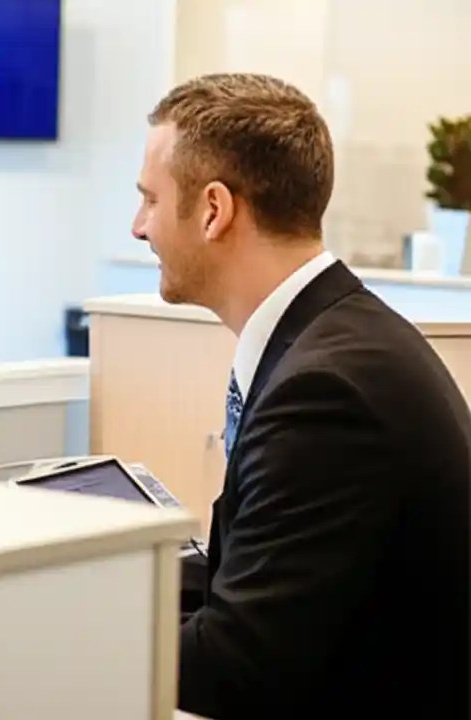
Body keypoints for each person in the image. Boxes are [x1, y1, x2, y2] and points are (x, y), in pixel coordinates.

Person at [133, 73, 470, 718]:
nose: (138, 227)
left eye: (149, 200)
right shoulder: (337, 338)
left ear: (213, 210)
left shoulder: (325, 392)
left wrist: (66, 632)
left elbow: (234, 666)